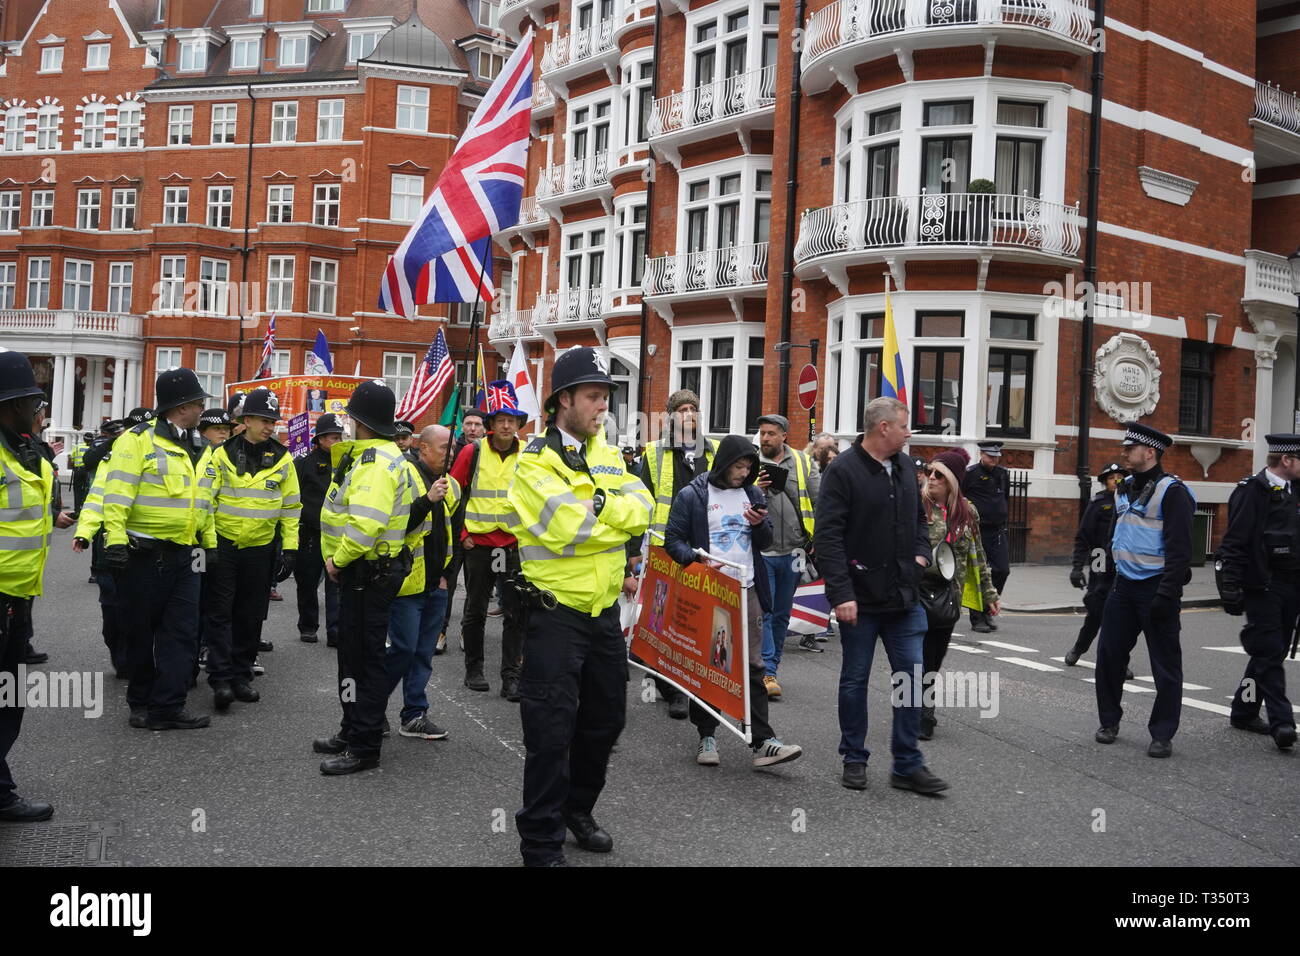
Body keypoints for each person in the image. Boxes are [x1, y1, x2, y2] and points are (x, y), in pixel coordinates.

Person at [508, 347, 652, 867]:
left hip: (605, 614)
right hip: (555, 615)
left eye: (606, 398)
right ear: (562, 400)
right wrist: (609, 511)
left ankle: (577, 809)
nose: (602, 408)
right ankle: (540, 841)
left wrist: (599, 503)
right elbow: (569, 526)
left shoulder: (608, 454)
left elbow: (645, 509)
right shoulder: (532, 461)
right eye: (593, 396)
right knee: (549, 733)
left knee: (605, 721)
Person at [816, 397, 948, 795]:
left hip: (904, 597)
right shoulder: (843, 471)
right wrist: (840, 592)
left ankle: (906, 765)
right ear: (884, 428)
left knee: (910, 678)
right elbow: (828, 537)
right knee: (855, 680)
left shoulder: (907, 466)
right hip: (859, 598)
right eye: (905, 426)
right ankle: (853, 757)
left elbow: (918, 519)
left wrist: (923, 554)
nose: (910, 434)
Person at [663, 434, 804, 771]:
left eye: (748, 467)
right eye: (739, 466)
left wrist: (758, 526)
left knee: (754, 665)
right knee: (711, 664)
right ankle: (707, 735)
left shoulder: (752, 493)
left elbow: (766, 539)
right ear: (724, 464)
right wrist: (697, 559)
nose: (744, 472)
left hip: (748, 589)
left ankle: (763, 741)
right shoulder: (693, 495)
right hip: (711, 589)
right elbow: (673, 540)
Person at [313, 380, 416, 774]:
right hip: (368, 571)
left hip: (365, 572)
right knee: (352, 660)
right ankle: (351, 728)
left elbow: (364, 525)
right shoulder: (381, 456)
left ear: (359, 419)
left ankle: (364, 744)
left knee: (364, 661)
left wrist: (337, 560)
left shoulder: (375, 462)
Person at [102, 368, 212, 731]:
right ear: (182, 406)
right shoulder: (136, 441)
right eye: (198, 402)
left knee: (181, 633)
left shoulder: (198, 444)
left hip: (185, 554)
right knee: (140, 632)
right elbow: (116, 494)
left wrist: (207, 543)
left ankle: (168, 705)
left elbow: (203, 500)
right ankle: (141, 702)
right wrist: (115, 540)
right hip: (143, 556)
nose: (201, 409)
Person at [1094, 422, 1195, 759]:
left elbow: (1181, 552)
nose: (1123, 453)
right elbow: (1114, 536)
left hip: (1156, 588)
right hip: (1123, 588)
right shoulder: (1122, 488)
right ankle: (1108, 721)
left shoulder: (1173, 492)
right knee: (1109, 657)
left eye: (1129, 449)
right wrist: (1105, 581)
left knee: (1165, 665)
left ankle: (1162, 733)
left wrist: (1166, 596)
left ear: (1149, 452)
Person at [198, 387, 300, 710]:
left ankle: (241, 675)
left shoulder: (283, 458)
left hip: (261, 549)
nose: (271, 426)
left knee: (250, 615)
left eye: (273, 420)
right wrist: (209, 544)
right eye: (265, 420)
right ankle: (220, 678)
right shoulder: (221, 454)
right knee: (220, 613)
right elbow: (204, 500)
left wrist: (291, 549)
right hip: (224, 547)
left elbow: (292, 507)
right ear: (246, 420)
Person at [0, 351, 58, 821]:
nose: (38, 410)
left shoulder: (19, 446)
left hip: (18, 594)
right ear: (10, 404)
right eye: (32, 401)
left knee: (10, 693)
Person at [1217, 434, 1300, 751]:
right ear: (1287, 461)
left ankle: (1244, 710)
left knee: (1271, 652)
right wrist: (1231, 587)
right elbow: (1234, 542)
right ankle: (1282, 723)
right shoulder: (1252, 491)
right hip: (1263, 585)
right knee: (1267, 652)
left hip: (1292, 586)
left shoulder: (1296, 491)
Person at [637, 389, 716, 718]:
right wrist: (633, 551)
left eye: (693, 409)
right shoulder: (654, 453)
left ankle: (683, 684)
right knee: (662, 618)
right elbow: (640, 501)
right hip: (662, 547)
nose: (689, 414)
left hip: (700, 547)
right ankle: (667, 684)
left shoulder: (711, 452)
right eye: (682, 409)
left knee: (690, 618)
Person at [448, 384, 528, 699]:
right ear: (491, 424)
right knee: (476, 609)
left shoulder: (529, 455)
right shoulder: (473, 451)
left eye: (512, 420)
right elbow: (452, 495)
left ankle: (511, 677)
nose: (506, 425)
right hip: (479, 545)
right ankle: (474, 669)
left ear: (519, 424)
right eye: (500, 419)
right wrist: (462, 536)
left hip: (512, 545)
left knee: (515, 613)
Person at [918, 448, 1000, 740]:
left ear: (953, 480)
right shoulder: (917, 506)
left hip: (948, 596)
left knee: (935, 655)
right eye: (930, 472)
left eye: (939, 475)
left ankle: (921, 705)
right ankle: (922, 712)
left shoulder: (967, 512)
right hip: (917, 592)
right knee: (917, 655)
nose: (932, 479)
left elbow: (978, 554)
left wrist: (989, 595)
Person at [385, 424, 459, 739]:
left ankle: (414, 714)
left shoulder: (450, 483)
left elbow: (452, 530)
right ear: (423, 447)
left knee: (424, 653)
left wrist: (445, 575)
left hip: (435, 582)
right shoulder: (403, 474)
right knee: (402, 650)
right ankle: (371, 709)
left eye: (452, 448)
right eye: (445, 448)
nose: (450, 454)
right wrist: (427, 499)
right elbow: (396, 523)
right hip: (405, 584)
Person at [756, 413, 819, 689]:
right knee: (766, 612)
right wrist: (755, 488)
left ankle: (773, 665)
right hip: (763, 552)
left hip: (795, 552)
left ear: (784, 435)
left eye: (771, 433)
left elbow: (820, 500)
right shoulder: (750, 460)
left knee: (782, 613)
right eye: (762, 433)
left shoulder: (804, 462)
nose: (765, 438)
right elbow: (736, 496)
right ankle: (767, 671)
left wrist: (821, 538)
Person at [1066, 463, 1132, 680]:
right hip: (1099, 557)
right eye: (1112, 477)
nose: (1116, 480)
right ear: (1105, 481)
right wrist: (1077, 568)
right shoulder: (1098, 503)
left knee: (1120, 615)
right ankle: (1079, 647)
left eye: (1120, 477)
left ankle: (1120, 662)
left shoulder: (1132, 500)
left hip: (1124, 560)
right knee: (1096, 609)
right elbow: (1083, 537)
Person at [437, 407, 488, 656]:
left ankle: (468, 631)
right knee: (446, 582)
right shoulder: (450, 449)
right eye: (468, 423)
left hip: (478, 530)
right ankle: (440, 630)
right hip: (453, 527)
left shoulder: (488, 453)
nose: (472, 429)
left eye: (477, 424)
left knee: (476, 587)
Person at [293, 414, 344, 646]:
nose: (338, 441)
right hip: (310, 533)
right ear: (321, 439)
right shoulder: (304, 463)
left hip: (336, 535)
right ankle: (308, 626)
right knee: (307, 582)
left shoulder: (347, 465)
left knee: (335, 583)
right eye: (334, 437)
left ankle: (335, 631)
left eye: (340, 437)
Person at [961, 440, 1011, 633]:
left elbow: (1004, 498)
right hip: (977, 530)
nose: (994, 460)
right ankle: (977, 619)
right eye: (991, 456)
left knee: (1002, 570)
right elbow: (960, 497)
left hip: (997, 530)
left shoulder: (1002, 474)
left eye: (997, 457)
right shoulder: (970, 474)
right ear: (981, 454)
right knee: (975, 574)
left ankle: (987, 609)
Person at [71, 431, 93, 513]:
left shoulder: (77, 447)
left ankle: (77, 510)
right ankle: (84, 508)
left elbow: (71, 460)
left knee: (77, 490)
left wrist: (74, 467)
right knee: (87, 490)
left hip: (78, 470)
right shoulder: (92, 448)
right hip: (88, 471)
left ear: (83, 439)